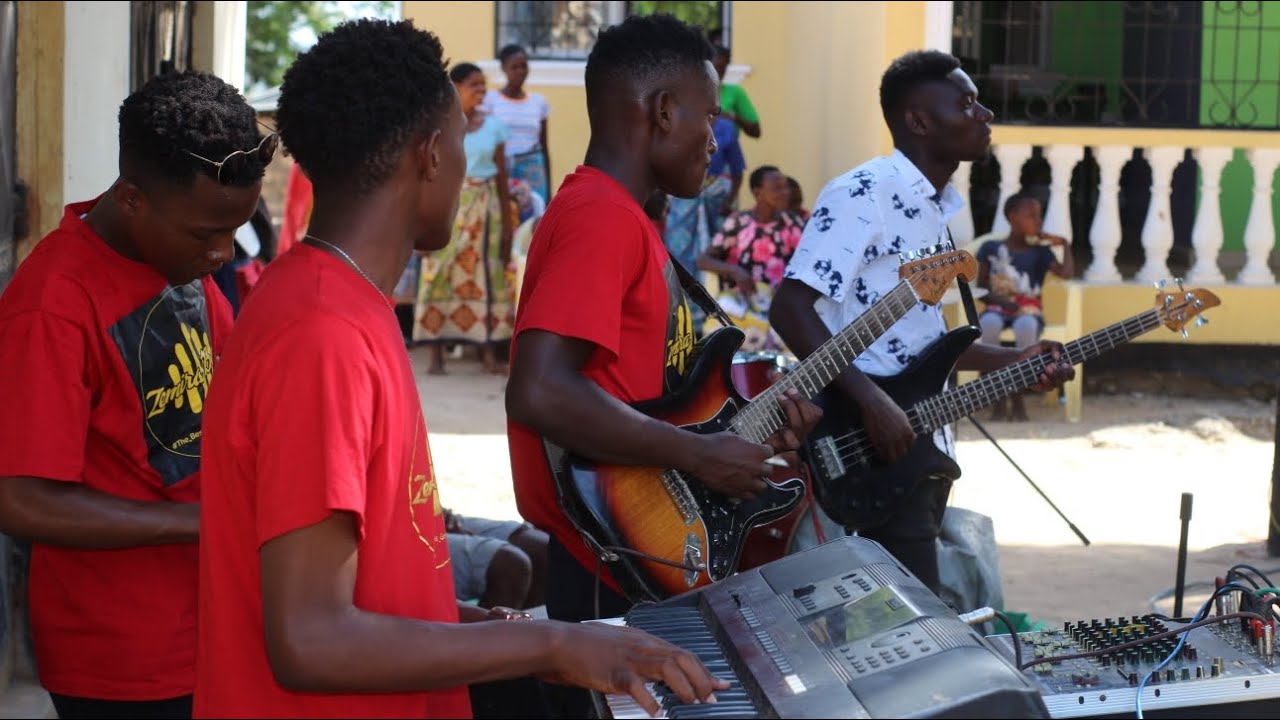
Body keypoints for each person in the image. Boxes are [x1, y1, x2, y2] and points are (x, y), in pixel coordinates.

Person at [193, 19, 725, 719]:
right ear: (432, 154)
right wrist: (550, 648)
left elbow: (375, 593)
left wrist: (523, 634)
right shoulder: (322, 336)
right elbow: (311, 639)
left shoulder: (347, 307)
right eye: (464, 139)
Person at [504, 14, 822, 719]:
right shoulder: (600, 219)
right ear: (663, 111)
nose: (716, 138)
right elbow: (539, 389)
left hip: (646, 550)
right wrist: (702, 456)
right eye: (708, 117)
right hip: (606, 562)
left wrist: (746, 429)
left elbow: (648, 396)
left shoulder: (625, 220)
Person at [0, 70, 271, 719]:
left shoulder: (177, 257)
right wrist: (204, 524)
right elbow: (21, 499)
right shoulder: (53, 306)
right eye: (206, 233)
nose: (221, 253)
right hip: (121, 659)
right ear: (131, 198)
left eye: (232, 231)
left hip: (212, 620)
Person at [769, 49, 1074, 595]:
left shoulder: (935, 207)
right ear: (918, 120)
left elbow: (926, 345)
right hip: (865, 441)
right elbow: (790, 307)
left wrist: (1015, 360)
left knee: (908, 620)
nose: (984, 115)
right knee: (915, 626)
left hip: (920, 438)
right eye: (967, 103)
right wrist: (872, 402)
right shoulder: (863, 192)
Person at [416, 62, 516, 375]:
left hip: (488, 211)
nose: (481, 91)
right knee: (439, 272)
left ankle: (488, 355)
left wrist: (509, 228)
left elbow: (502, 178)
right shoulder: (441, 129)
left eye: (483, 85)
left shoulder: (494, 127)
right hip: (452, 206)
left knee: (487, 275)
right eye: (474, 85)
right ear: (456, 87)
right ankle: (435, 356)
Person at [976, 191, 1075, 421]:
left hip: (1029, 311)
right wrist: (1003, 303)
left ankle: (1018, 395)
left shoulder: (1041, 252)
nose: (1038, 221)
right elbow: (981, 289)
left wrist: (1065, 245)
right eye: (1031, 216)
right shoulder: (990, 248)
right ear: (1012, 217)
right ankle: (998, 396)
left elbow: (1067, 273)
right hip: (997, 307)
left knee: (1026, 327)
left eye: (1039, 216)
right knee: (988, 323)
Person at [696, 164, 804, 352]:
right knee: (719, 340)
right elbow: (703, 261)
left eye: (785, 186)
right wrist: (735, 271)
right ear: (758, 192)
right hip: (741, 306)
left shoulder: (792, 223)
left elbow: (806, 263)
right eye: (776, 188)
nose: (785, 192)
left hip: (777, 305)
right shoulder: (739, 222)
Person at [486, 44, 553, 205]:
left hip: (534, 170)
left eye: (523, 66)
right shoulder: (490, 100)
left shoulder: (539, 102)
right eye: (514, 67)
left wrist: (549, 188)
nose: (520, 71)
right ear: (503, 68)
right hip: (503, 168)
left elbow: (544, 146)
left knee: (533, 220)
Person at [445, 508, 549, 610]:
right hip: (430, 535)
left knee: (544, 549)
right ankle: (493, 626)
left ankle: (525, 624)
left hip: (438, 515)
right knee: (510, 563)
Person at [711, 44, 760, 139]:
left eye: (722, 70)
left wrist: (732, 117)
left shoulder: (735, 92)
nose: (717, 75)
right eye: (714, 70)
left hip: (726, 150)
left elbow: (756, 131)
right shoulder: (691, 93)